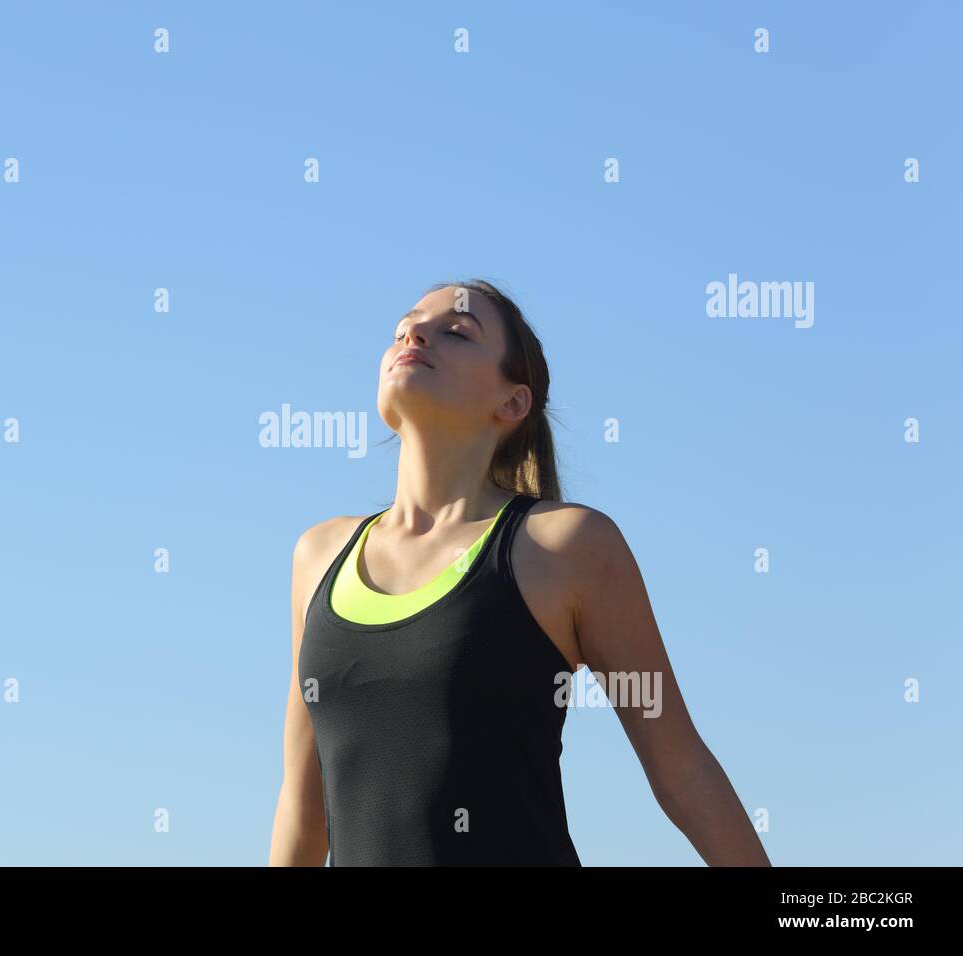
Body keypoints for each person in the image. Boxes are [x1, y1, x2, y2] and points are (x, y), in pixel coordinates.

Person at [268, 278, 771, 866]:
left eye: (456, 332)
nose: (414, 333)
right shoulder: (319, 556)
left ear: (512, 402)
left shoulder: (568, 548)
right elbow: (304, 811)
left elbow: (681, 770)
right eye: (405, 325)